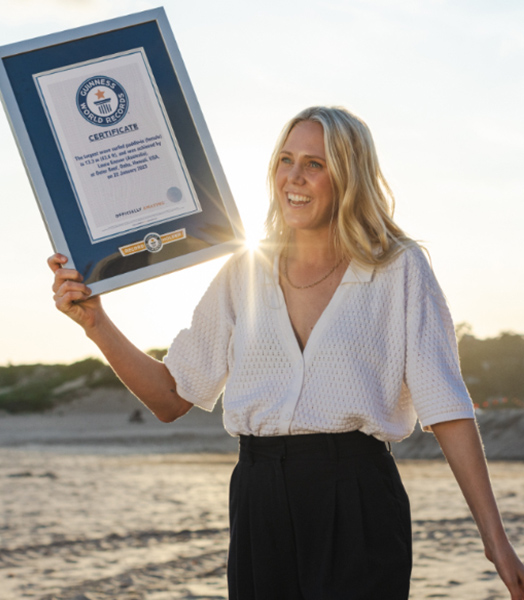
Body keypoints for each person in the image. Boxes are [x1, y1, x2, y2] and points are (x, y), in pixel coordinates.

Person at [48, 106, 524, 599]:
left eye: (315, 164)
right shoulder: (244, 271)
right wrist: (96, 324)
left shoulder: (399, 270)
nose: (294, 177)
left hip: (358, 495)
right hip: (259, 499)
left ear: (349, 176)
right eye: (285, 160)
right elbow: (170, 397)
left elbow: (446, 407)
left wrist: (495, 541)